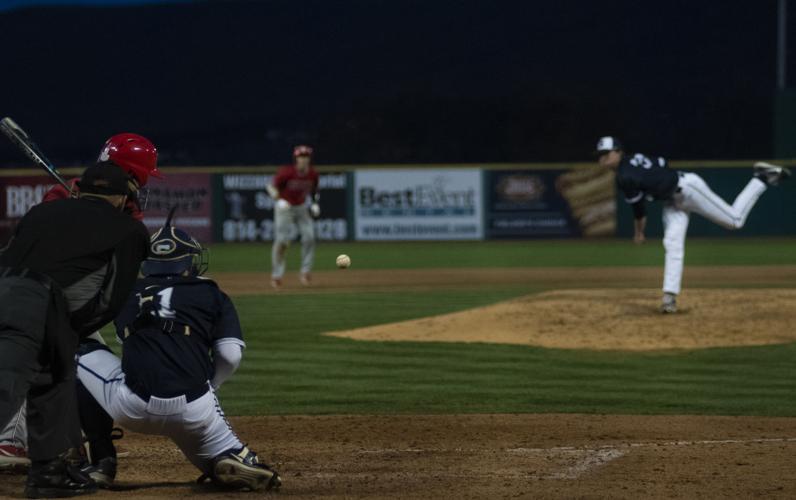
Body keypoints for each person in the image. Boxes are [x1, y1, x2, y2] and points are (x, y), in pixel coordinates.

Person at [74, 213, 282, 491]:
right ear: (188, 262)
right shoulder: (211, 292)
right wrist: (211, 385)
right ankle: (229, 458)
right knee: (219, 450)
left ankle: (100, 460)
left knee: (71, 345)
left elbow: (83, 317)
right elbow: (231, 355)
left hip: (133, 406)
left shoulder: (124, 292)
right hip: (195, 408)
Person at [0, 132, 160, 471]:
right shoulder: (61, 196)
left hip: (63, 300)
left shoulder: (128, 211)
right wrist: (71, 208)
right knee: (43, 356)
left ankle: (73, 436)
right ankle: (12, 441)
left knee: (81, 362)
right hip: (34, 296)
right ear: (136, 174)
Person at [595, 136, 791, 313]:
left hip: (688, 189)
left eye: (607, 153)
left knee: (735, 221)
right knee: (672, 244)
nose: (603, 158)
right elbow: (662, 162)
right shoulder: (635, 159)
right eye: (600, 155)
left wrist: (639, 233)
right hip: (672, 200)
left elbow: (639, 210)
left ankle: (761, 178)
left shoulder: (624, 177)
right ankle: (669, 298)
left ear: (619, 151)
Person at [267, 144, 320, 288]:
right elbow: (270, 187)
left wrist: (315, 203)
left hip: (301, 207)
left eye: (306, 157)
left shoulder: (313, 174)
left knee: (309, 237)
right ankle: (277, 275)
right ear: (296, 159)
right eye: (301, 157)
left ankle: (305, 272)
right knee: (282, 240)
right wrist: (279, 200)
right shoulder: (287, 173)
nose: (303, 160)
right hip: (285, 207)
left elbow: (315, 191)